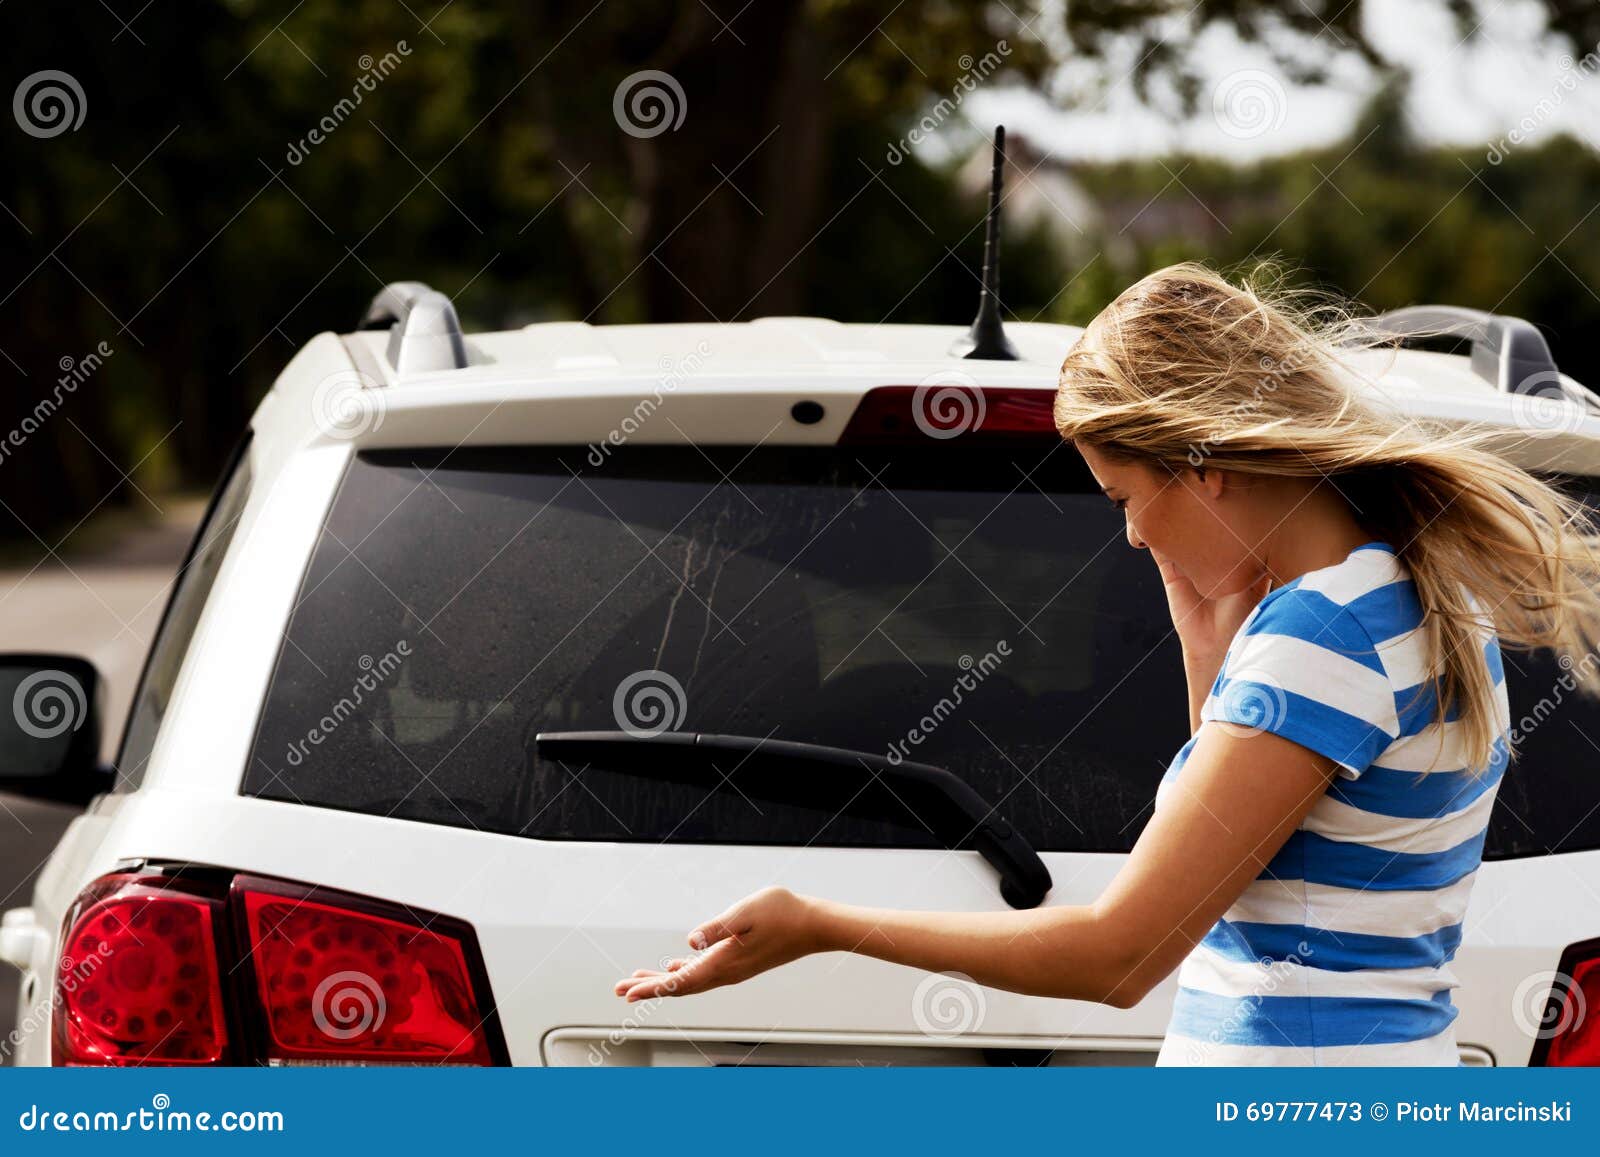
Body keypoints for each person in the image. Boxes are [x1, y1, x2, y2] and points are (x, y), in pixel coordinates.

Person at [611, 263, 1600, 1065]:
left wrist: (819, 922)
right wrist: (1207, 638)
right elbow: (1254, 855)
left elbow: (1121, 954)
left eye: (1123, 495)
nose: (1126, 534)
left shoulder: (1319, 639)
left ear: (1204, 464)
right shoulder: (1416, 589)